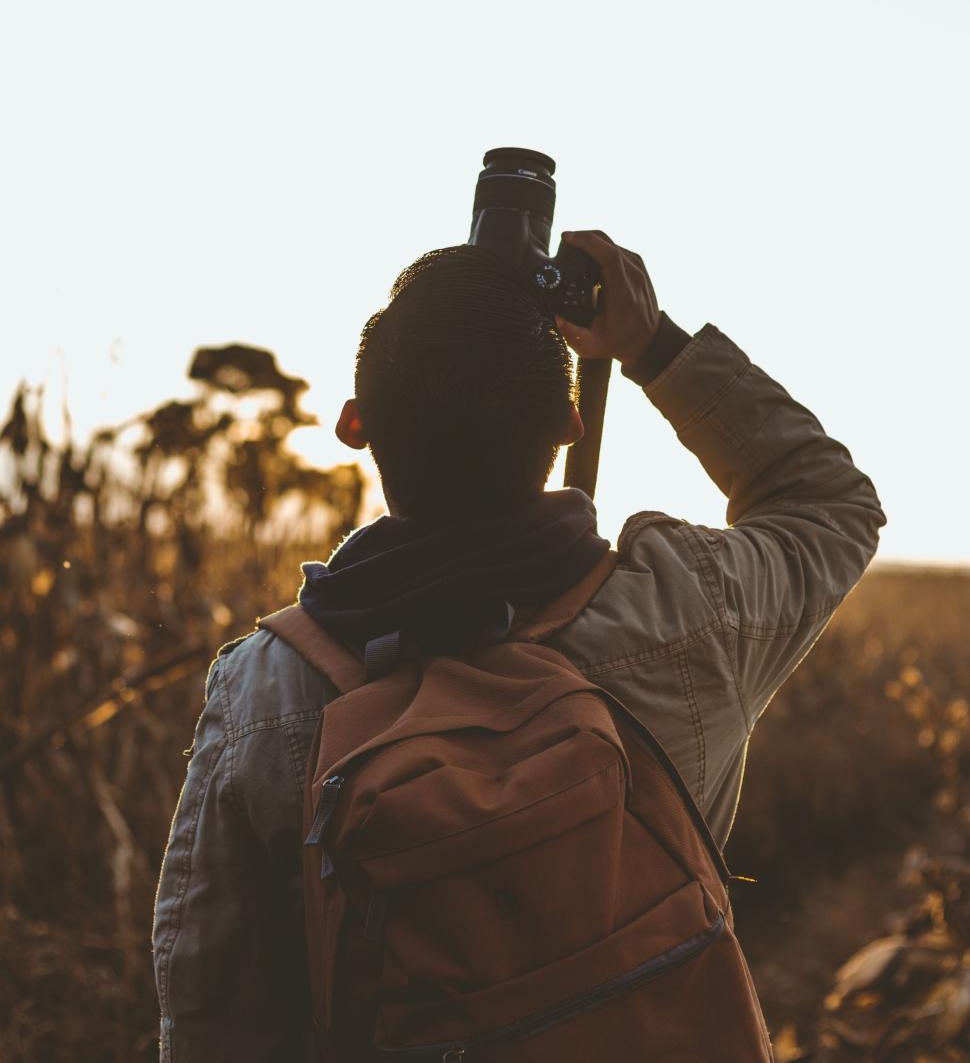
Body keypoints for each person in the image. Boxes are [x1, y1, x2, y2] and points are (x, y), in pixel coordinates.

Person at [153, 232, 885, 1062]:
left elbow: (213, 1012)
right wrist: (650, 344)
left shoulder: (264, 693)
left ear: (357, 426)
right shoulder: (688, 608)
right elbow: (829, 502)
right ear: (570, 422)